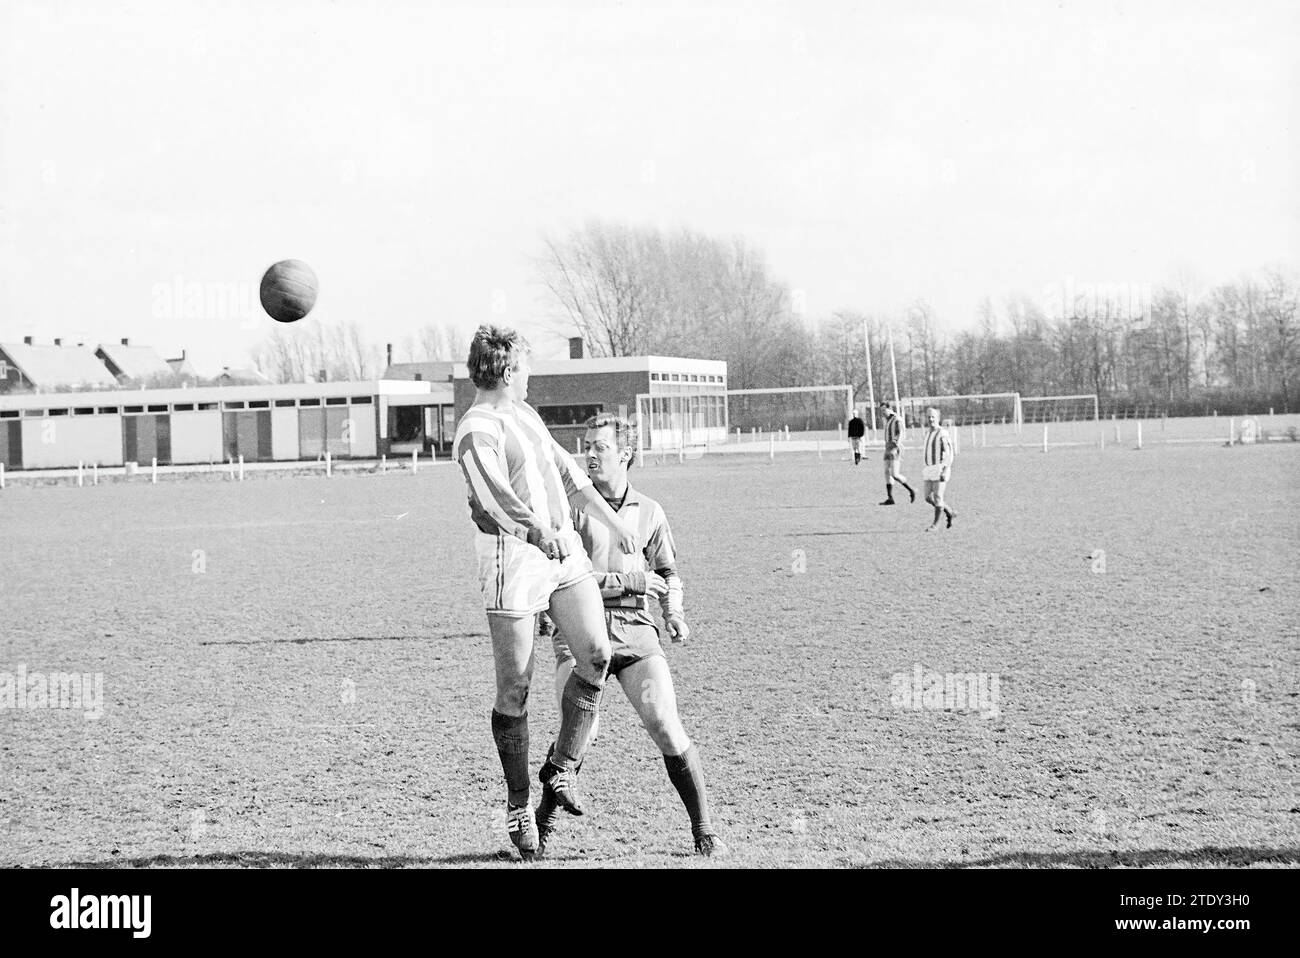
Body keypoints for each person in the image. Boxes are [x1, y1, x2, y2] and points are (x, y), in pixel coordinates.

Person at [452, 325, 638, 861]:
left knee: (598, 654)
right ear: (509, 372)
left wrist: (611, 520)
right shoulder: (476, 428)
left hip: (563, 555)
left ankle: (559, 768)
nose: (531, 378)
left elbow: (571, 473)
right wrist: (539, 531)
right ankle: (517, 806)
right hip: (514, 560)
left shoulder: (527, 417)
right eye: (527, 368)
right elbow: (493, 498)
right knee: (515, 688)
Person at [534, 413, 726, 858]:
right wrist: (632, 584)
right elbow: (567, 580)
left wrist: (673, 612)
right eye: (586, 445)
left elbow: (668, 574)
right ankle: (542, 821)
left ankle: (704, 830)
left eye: (599, 447)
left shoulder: (651, 511)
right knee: (584, 727)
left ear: (625, 454)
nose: (588, 454)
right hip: (581, 629)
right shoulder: (572, 509)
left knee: (663, 721)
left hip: (636, 631)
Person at [921, 406, 957, 531]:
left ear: (938, 418)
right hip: (928, 469)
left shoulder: (942, 433)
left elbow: (949, 453)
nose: (930, 419)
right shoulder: (927, 433)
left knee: (937, 496)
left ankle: (935, 525)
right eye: (928, 417)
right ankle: (949, 512)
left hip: (939, 468)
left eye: (933, 417)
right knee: (927, 497)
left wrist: (945, 468)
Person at [878, 401, 916, 506]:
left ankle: (911, 490)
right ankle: (890, 498)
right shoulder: (887, 420)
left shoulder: (897, 419)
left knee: (894, 474)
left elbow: (901, 433)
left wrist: (896, 445)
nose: (882, 412)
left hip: (894, 448)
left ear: (890, 409)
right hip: (887, 448)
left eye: (884, 410)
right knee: (886, 472)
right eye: (881, 411)